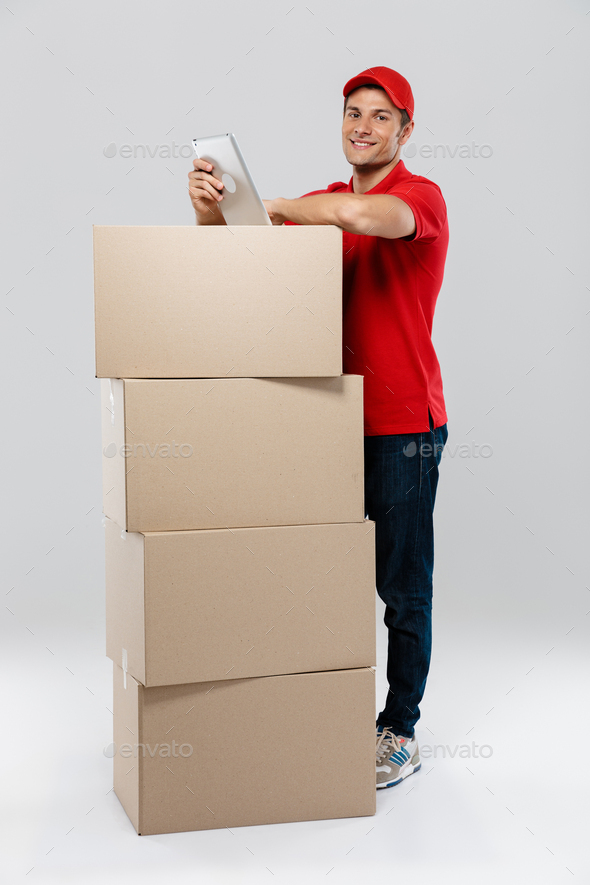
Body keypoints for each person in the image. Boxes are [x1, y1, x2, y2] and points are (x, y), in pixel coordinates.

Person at [187, 66, 449, 790]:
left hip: (403, 428)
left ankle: (400, 729)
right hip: (324, 422)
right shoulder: (324, 201)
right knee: (316, 576)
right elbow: (244, 254)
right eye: (352, 112)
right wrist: (211, 210)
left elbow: (364, 217)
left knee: (402, 586)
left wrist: (275, 204)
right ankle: (320, 710)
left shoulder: (418, 197)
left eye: (380, 116)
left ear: (405, 132)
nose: (362, 126)